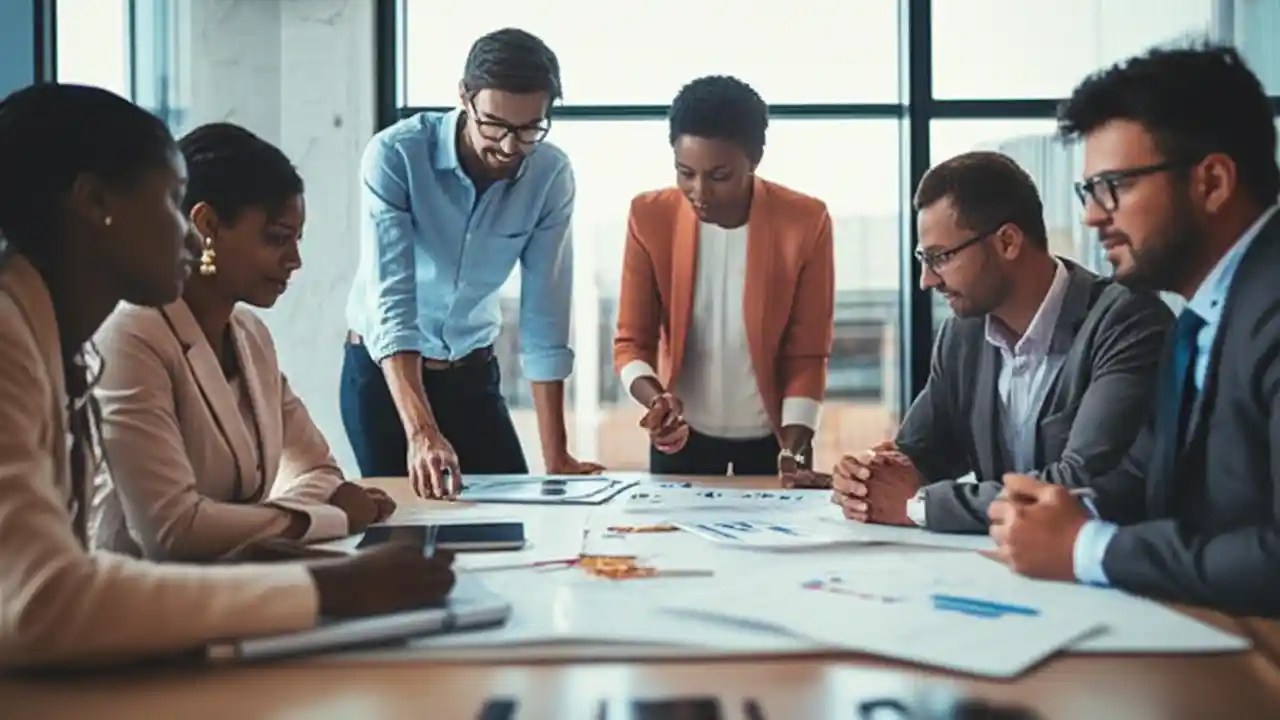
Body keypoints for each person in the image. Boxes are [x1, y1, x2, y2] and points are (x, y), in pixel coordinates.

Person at [0, 84, 452, 669]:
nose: (190, 235)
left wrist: (257, 552)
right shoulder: (18, 337)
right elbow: (41, 600)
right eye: (171, 202)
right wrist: (336, 587)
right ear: (94, 203)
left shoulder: (48, 335)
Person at [987, 44, 1280, 617]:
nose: (1094, 215)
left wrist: (1088, 548)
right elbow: (1145, 478)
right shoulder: (1200, 318)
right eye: (1088, 192)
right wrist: (1062, 511)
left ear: (1213, 182)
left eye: (1113, 186)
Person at [90, 123, 393, 562]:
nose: (295, 260)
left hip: (228, 583)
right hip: (137, 604)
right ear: (207, 224)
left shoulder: (250, 336)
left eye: (297, 240)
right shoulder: (133, 335)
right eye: (276, 238)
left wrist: (274, 519)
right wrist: (328, 518)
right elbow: (173, 531)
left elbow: (318, 469)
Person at [831, 152, 1172, 532]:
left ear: (1008, 242)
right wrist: (865, 477)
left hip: (1094, 574)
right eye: (922, 259)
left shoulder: (1127, 322)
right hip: (994, 568)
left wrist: (920, 507)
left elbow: (1081, 484)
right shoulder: (963, 334)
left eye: (940, 257)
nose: (927, 280)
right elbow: (917, 455)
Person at [342, 27, 601, 499]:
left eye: (529, 130)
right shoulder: (396, 155)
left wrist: (557, 455)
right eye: (495, 125)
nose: (508, 147)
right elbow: (393, 304)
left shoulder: (550, 175)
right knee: (406, 530)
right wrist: (421, 432)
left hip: (472, 374)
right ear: (464, 97)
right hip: (386, 378)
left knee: (517, 516)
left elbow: (544, 316)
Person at [613, 75, 835, 477]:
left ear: (755, 158)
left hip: (778, 440)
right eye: (685, 172)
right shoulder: (649, 217)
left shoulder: (805, 222)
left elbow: (807, 352)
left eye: (719, 176)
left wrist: (796, 449)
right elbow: (631, 344)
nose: (700, 191)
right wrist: (656, 402)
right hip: (680, 439)